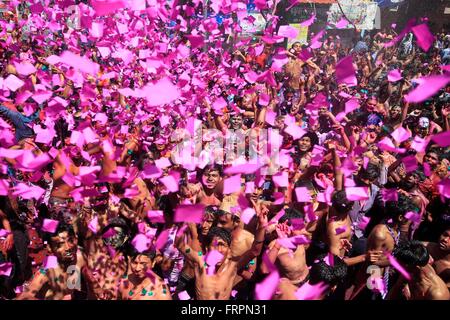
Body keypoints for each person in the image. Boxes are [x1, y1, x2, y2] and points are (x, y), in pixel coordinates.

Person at [175, 211, 267, 300]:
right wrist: (183, 223)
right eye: (214, 245)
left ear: (229, 250)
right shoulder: (200, 262)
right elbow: (180, 245)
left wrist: (262, 227)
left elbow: (255, 251)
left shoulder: (233, 266)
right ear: (207, 248)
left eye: (222, 245)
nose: (218, 250)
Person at [16, 222, 87, 300]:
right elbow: (24, 297)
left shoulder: (80, 257)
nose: (68, 248)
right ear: (50, 248)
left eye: (70, 240)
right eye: (60, 245)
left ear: (76, 238)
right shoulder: (47, 269)